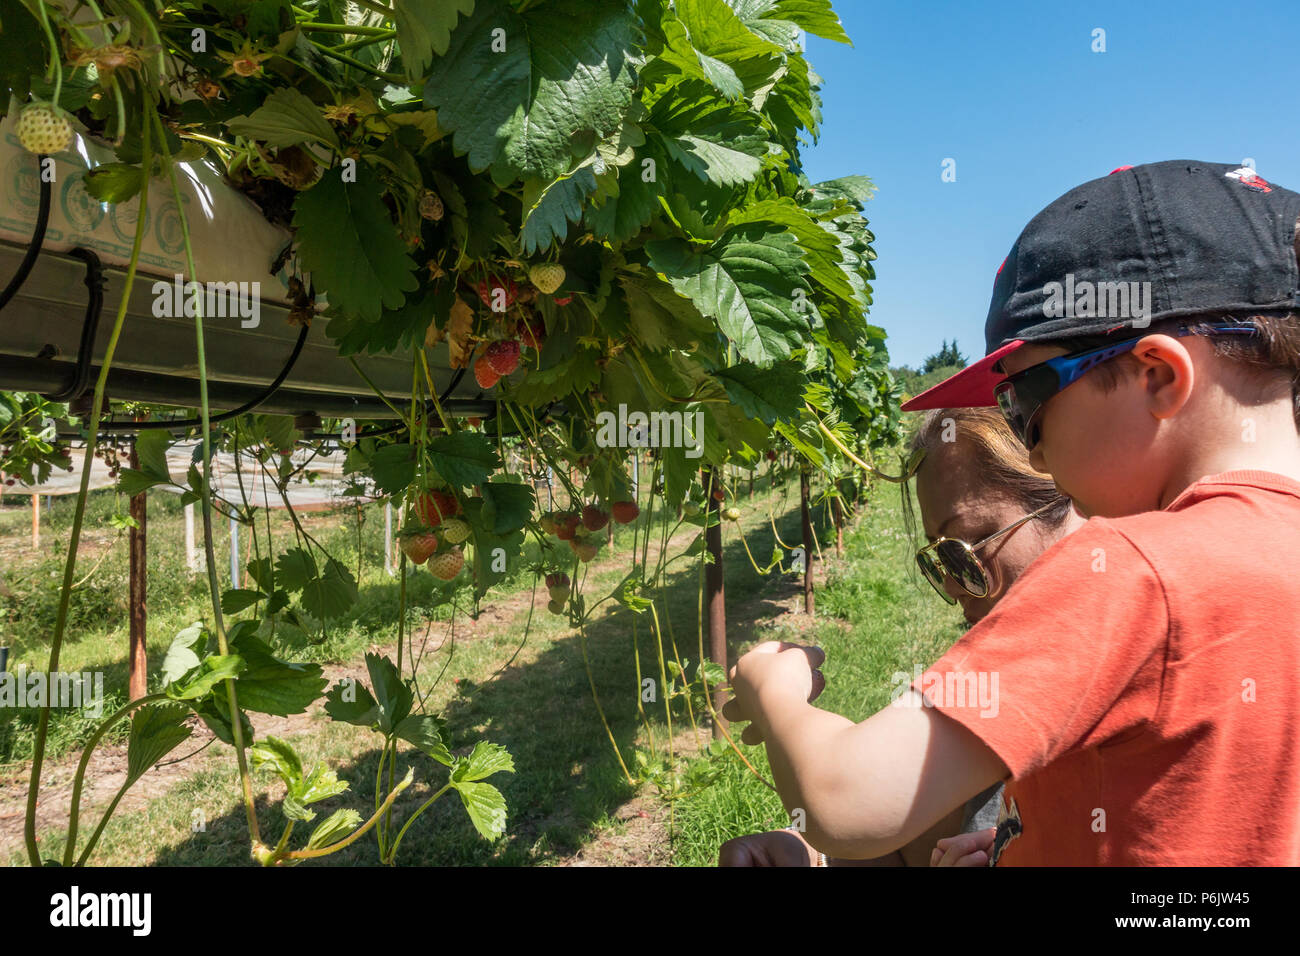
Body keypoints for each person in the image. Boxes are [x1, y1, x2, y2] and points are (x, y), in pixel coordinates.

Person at [721, 160, 1300, 865]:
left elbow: (845, 801)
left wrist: (771, 690)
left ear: (1157, 375)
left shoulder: (1130, 570)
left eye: (1025, 405)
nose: (1037, 446)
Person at [719, 406, 1082, 866]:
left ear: (1066, 498)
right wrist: (810, 854)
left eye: (963, 548)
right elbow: (914, 836)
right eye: (939, 560)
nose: (951, 586)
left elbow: (843, 799)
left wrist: (773, 688)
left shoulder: (1066, 628)